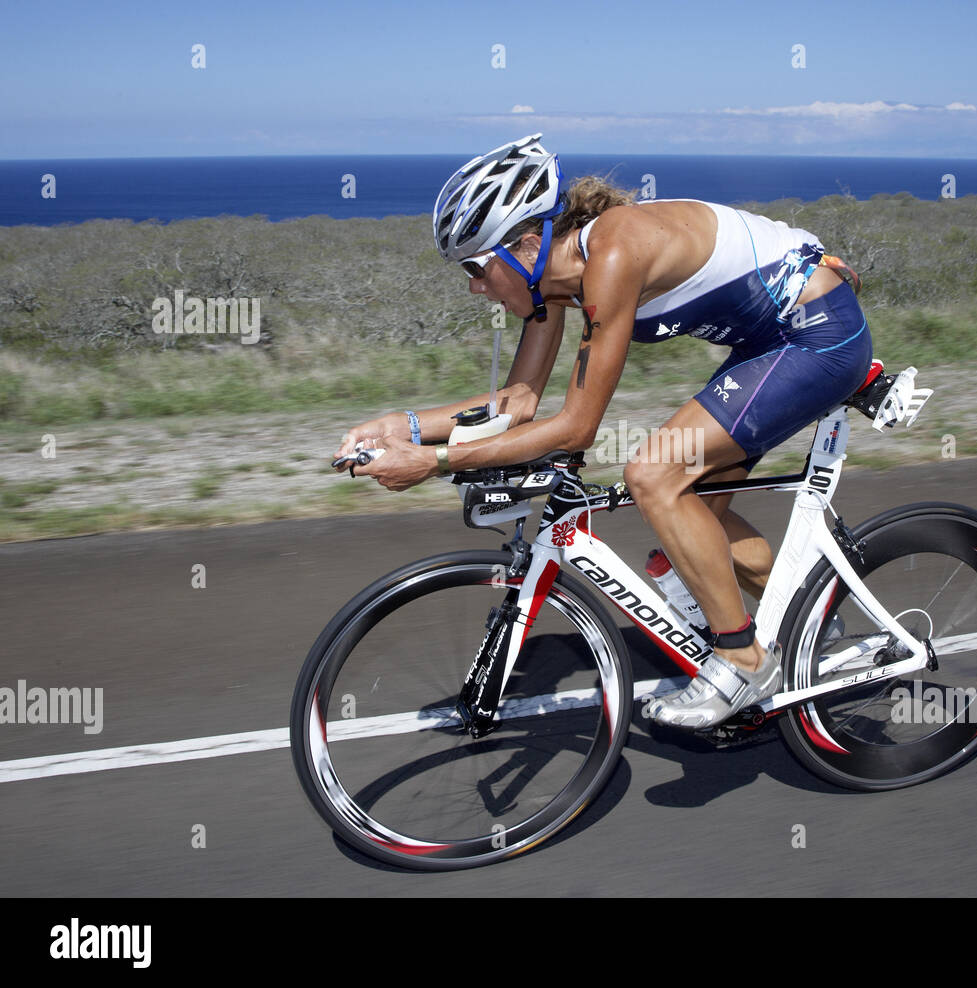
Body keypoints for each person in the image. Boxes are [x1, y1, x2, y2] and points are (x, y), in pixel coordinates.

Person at [334, 133, 870, 730]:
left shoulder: (612, 254)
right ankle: (811, 620)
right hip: (766, 342)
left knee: (655, 475)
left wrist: (432, 464)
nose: (472, 287)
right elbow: (516, 404)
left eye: (476, 268)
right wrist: (403, 426)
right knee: (691, 511)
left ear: (527, 244)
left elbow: (576, 428)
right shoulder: (551, 283)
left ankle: (743, 661)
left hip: (816, 335)